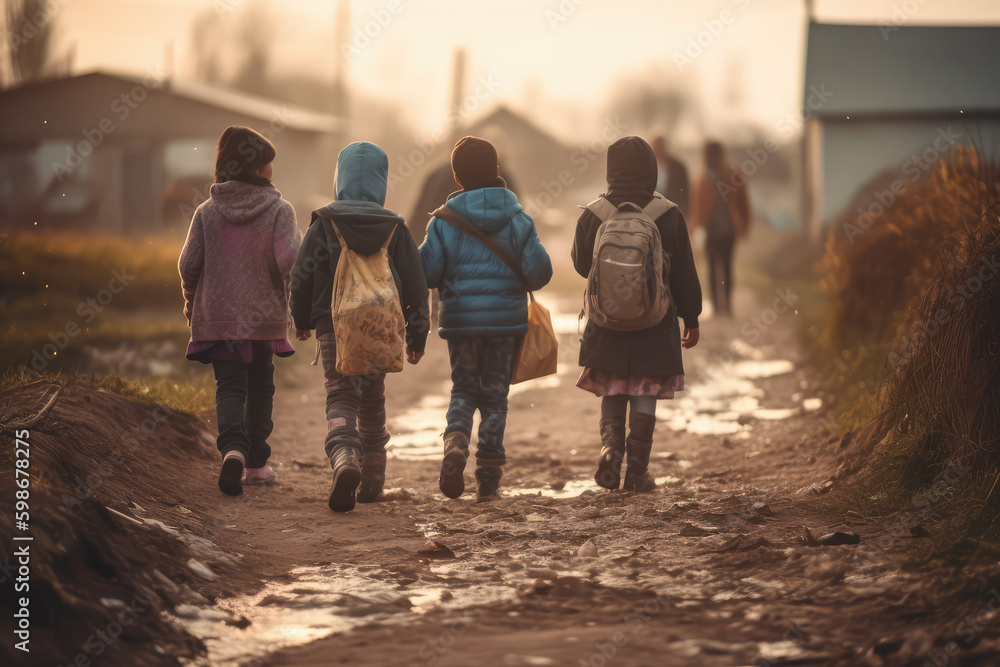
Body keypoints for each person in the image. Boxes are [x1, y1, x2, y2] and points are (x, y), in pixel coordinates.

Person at [290, 141, 429, 513]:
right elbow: (417, 287)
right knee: (372, 399)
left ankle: (344, 459)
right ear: (381, 182)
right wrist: (417, 336)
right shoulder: (396, 228)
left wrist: (302, 320)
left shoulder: (323, 223)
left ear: (340, 178)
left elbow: (300, 277)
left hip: (333, 325)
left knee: (340, 395)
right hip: (380, 326)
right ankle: (371, 481)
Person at [419, 136, 552, 502]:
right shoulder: (519, 219)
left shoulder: (442, 222)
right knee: (495, 397)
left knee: (463, 388)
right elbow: (539, 273)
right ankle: (489, 476)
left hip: (461, 323)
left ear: (456, 179)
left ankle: (456, 442)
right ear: (497, 171)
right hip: (505, 325)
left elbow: (426, 272)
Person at [572, 136, 702, 493]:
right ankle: (637, 472)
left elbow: (583, 265)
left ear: (611, 170)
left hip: (606, 321)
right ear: (651, 169)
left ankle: (611, 450)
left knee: (613, 388)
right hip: (655, 324)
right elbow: (685, 274)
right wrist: (691, 317)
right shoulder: (669, 213)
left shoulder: (594, 212)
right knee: (645, 389)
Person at [179, 125, 302, 496]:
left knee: (229, 386)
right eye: (267, 165)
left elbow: (189, 264)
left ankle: (232, 450)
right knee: (261, 386)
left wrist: (191, 301)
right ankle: (257, 464)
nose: (271, 171)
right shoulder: (280, 211)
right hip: (264, 318)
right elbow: (292, 264)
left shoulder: (206, 212)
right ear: (256, 168)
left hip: (218, 317)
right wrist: (297, 306)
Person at [690, 141, 750, 317]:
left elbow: (744, 202)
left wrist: (744, 224)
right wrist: (694, 227)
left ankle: (726, 305)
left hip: (728, 229)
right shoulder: (702, 178)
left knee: (725, 266)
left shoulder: (733, 174)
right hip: (711, 229)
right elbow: (697, 206)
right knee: (714, 267)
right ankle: (718, 307)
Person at [651, 136, 690, 216]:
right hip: (651, 212)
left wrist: (685, 213)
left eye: (660, 144)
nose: (658, 148)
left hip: (673, 211)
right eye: (656, 144)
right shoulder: (646, 166)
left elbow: (685, 191)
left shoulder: (677, 167)